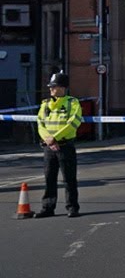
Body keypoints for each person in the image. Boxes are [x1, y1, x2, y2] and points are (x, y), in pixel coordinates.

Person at [35, 71, 83, 218]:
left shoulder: (72, 103)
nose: (51, 89)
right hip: (49, 147)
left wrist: (55, 138)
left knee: (69, 178)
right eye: (50, 87)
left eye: (54, 87)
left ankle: (72, 207)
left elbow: (73, 123)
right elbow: (40, 123)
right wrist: (47, 139)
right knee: (49, 177)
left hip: (65, 145)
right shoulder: (46, 104)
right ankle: (48, 207)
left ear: (62, 88)